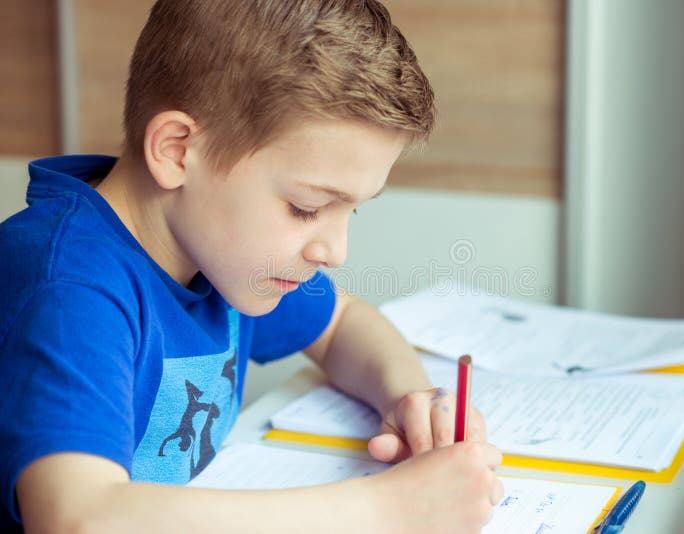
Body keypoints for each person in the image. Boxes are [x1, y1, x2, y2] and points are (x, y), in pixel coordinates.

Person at [0, 1, 504, 532]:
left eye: (350, 209)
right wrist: (387, 509)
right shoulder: (71, 288)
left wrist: (409, 397)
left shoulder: (218, 251)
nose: (335, 250)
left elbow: (340, 325)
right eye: (306, 207)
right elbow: (78, 517)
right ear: (177, 151)